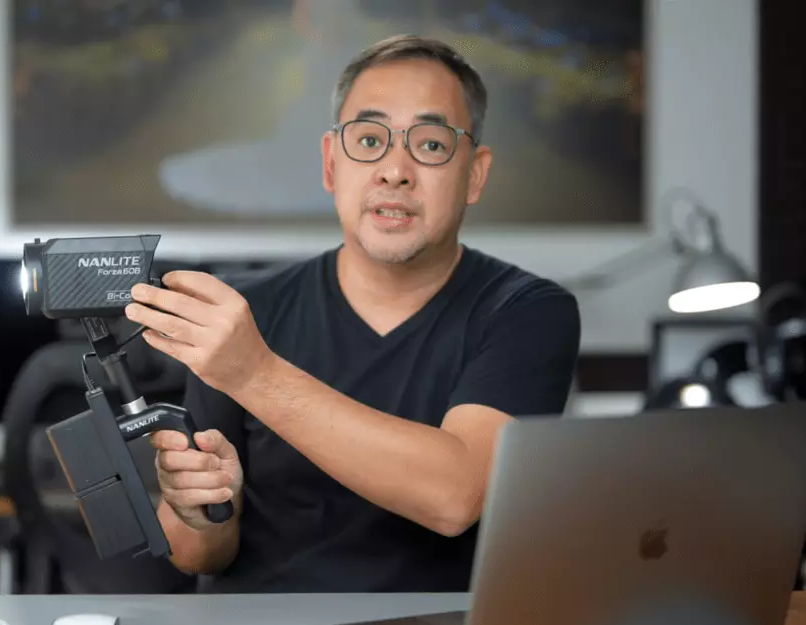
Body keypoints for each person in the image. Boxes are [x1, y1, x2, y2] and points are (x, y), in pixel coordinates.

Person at [123, 35, 581, 594]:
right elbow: (200, 553)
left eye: (432, 146)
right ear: (331, 164)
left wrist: (254, 373)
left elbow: (456, 495)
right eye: (369, 139)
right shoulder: (246, 311)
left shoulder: (527, 313)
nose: (395, 171)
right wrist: (197, 510)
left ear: (475, 175)